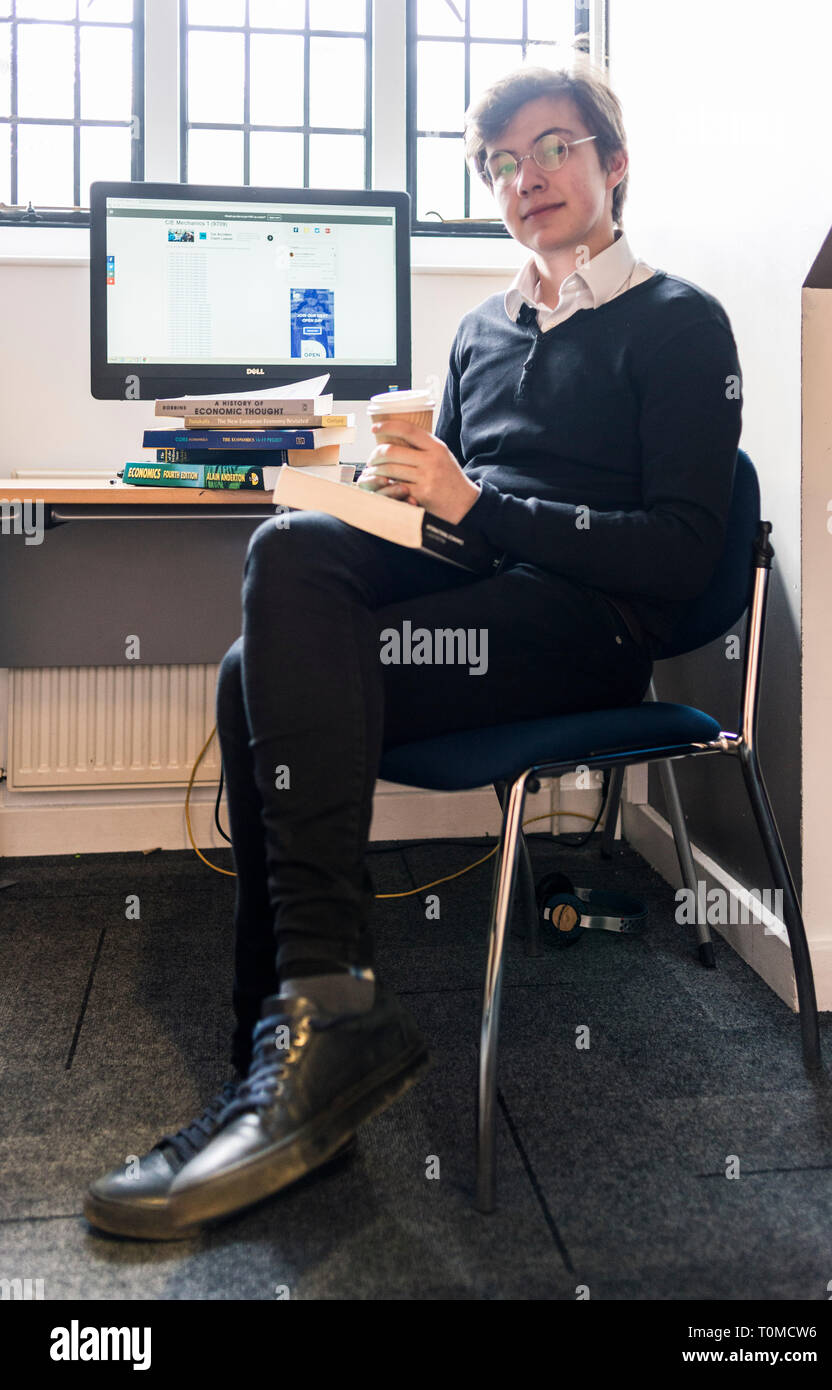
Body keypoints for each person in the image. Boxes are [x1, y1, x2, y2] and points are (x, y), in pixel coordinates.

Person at [84, 55, 742, 1240]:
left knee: (257, 675)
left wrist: (479, 509)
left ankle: (306, 1050)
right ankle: (289, 1045)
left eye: (554, 148)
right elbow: (461, 511)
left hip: (589, 629)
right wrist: (397, 500)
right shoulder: (482, 331)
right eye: (501, 162)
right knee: (288, 562)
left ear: (614, 163)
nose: (526, 177)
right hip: (485, 593)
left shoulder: (681, 324)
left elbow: (683, 555)